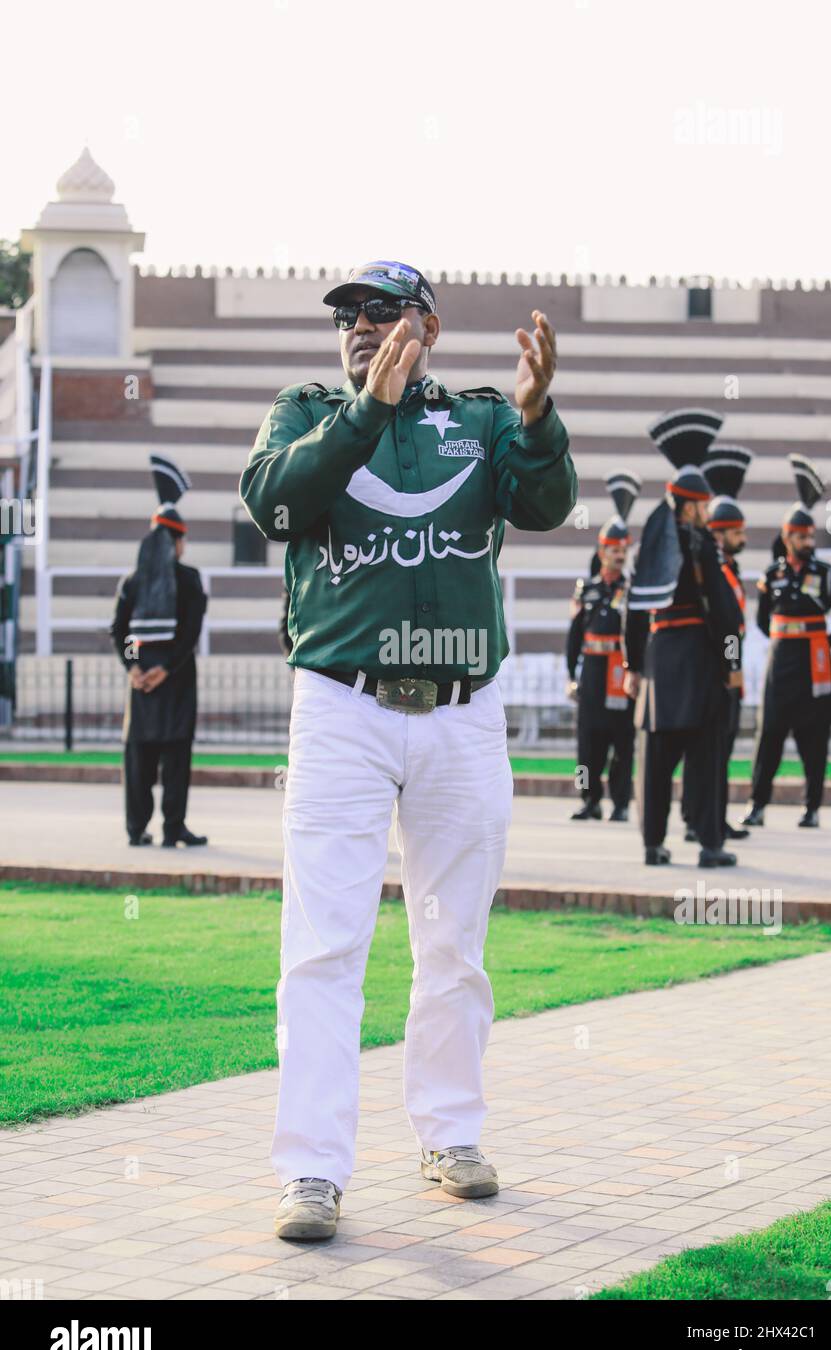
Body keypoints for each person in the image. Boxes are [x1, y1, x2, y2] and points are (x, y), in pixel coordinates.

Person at [239, 260, 577, 1241]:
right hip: (343, 707)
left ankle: (449, 1135)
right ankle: (310, 1171)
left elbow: (544, 503)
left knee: (453, 946)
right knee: (324, 945)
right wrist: (360, 416)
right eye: (348, 315)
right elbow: (276, 508)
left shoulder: (475, 421)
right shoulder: (306, 410)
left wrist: (538, 411)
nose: (358, 326)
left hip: (461, 714)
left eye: (381, 313)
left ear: (425, 325)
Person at [623, 408, 743, 868]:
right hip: (701, 660)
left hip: (657, 664)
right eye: (704, 506)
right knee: (706, 759)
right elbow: (726, 612)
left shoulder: (648, 545)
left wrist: (633, 666)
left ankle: (653, 844)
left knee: (654, 763)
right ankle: (710, 846)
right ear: (692, 506)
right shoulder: (701, 544)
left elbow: (633, 613)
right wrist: (731, 666)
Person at [741, 455, 831, 828]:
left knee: (814, 743)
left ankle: (812, 809)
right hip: (780, 671)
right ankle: (757, 807)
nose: (808, 541)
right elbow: (761, 620)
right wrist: (781, 641)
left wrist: (825, 639)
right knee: (768, 740)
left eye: (811, 535)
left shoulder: (826, 575)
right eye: (801, 536)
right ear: (787, 536)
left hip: (815, 670)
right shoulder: (771, 575)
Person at [110, 455, 208, 848]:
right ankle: (172, 829)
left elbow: (122, 632)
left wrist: (134, 668)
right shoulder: (189, 580)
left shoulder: (131, 582)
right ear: (176, 541)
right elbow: (189, 633)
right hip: (176, 680)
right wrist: (164, 667)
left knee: (139, 759)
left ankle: (136, 829)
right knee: (175, 759)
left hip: (142, 684)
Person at [681, 445, 752, 843]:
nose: (742, 538)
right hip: (717, 671)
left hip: (725, 667)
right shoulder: (712, 569)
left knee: (718, 754)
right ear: (720, 533)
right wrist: (731, 669)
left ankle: (710, 818)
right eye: (737, 532)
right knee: (708, 752)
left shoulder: (728, 568)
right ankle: (700, 820)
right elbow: (721, 625)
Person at [566, 471, 640, 822]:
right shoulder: (588, 590)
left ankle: (622, 803)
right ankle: (589, 799)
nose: (619, 555)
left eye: (624, 550)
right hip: (593, 675)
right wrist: (571, 676)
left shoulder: (635, 591)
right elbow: (574, 638)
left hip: (622, 675)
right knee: (588, 744)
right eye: (613, 549)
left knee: (623, 743)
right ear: (601, 551)